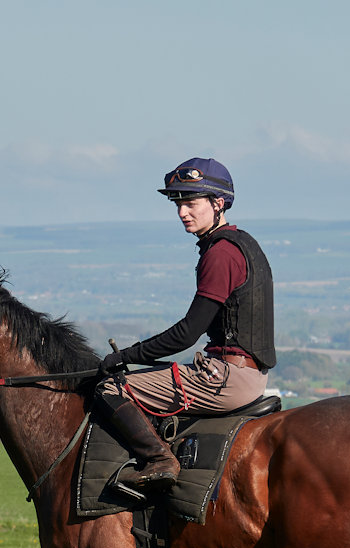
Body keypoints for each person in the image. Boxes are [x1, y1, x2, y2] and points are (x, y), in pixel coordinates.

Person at [96, 157, 276, 492]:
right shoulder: (243, 243)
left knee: (112, 388)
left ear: (218, 203)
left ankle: (159, 460)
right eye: (178, 204)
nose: (182, 212)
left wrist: (126, 357)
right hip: (245, 373)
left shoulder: (221, 254)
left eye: (191, 203)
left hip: (227, 377)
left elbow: (188, 333)